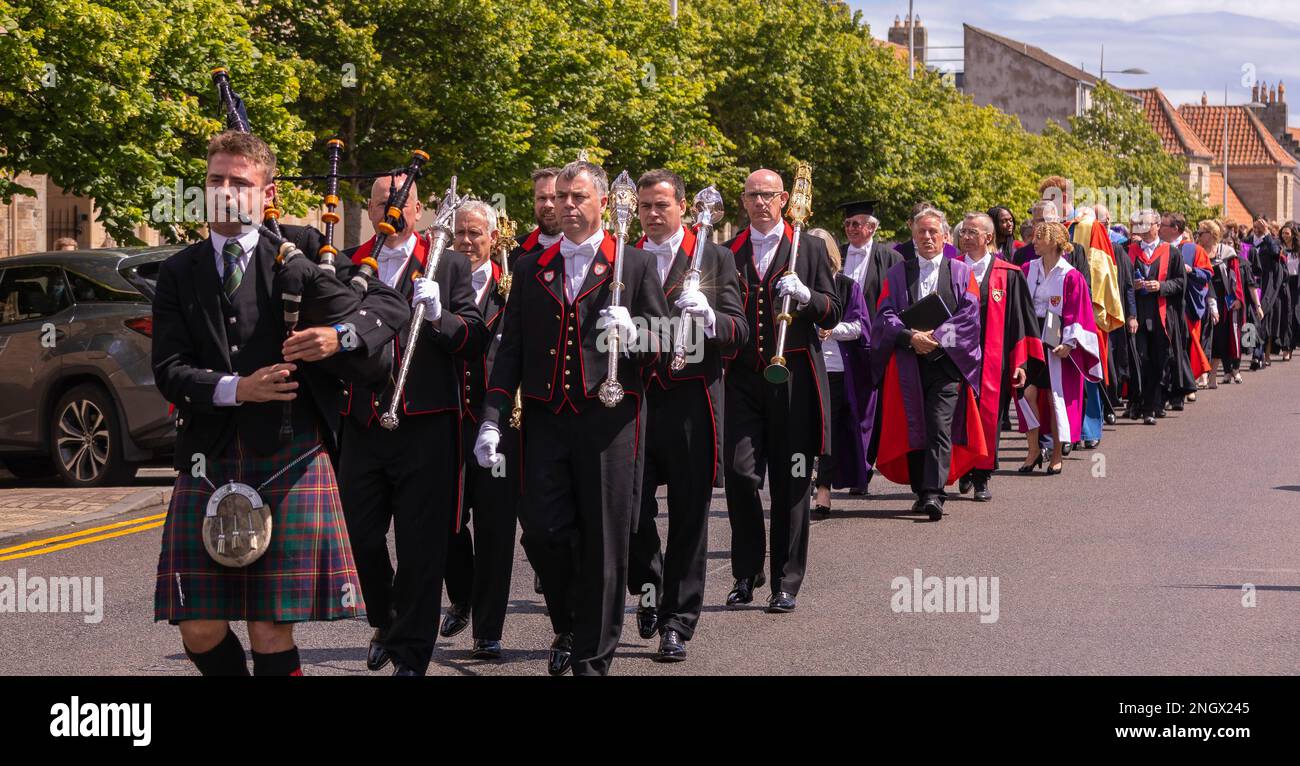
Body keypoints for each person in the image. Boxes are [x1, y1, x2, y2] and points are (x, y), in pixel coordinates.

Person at [151, 130, 408, 676]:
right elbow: (169, 373)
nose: (224, 191)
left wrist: (340, 336)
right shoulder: (179, 271)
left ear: (266, 194)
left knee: (270, 624)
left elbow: (390, 305)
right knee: (197, 626)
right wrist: (236, 389)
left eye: (238, 183)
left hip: (290, 453)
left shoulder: (306, 249)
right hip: (207, 454)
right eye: (215, 180)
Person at [473, 160, 669, 676]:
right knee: (540, 531)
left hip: (609, 421)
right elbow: (508, 350)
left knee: (606, 542)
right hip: (545, 418)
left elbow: (672, 347)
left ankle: (592, 658)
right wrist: (492, 418)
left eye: (578, 197)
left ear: (602, 202)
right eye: (561, 197)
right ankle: (568, 620)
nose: (566, 206)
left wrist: (638, 333)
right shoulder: (533, 266)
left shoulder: (634, 263)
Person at [338, 174, 485, 676]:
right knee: (360, 536)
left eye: (401, 203)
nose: (392, 210)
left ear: (419, 209)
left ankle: (410, 655)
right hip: (362, 420)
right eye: (383, 202)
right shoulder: (350, 262)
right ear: (372, 207)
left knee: (422, 546)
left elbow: (474, 338)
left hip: (426, 425)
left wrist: (441, 317)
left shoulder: (451, 263)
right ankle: (386, 615)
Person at [626, 169, 746, 661]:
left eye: (662, 206)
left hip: (692, 402)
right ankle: (650, 584)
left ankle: (678, 620)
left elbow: (739, 331)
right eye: (646, 207)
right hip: (634, 400)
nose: (653, 215)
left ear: (681, 207)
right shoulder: (623, 256)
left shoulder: (715, 256)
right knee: (631, 510)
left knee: (690, 514)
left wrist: (711, 319)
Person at [722, 168, 841, 613]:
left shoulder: (806, 248)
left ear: (785, 198)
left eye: (769, 195)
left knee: (791, 482)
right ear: (744, 200)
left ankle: (785, 580)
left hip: (794, 382)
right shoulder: (727, 251)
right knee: (738, 474)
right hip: (744, 380)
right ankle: (746, 571)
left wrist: (808, 297)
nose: (761, 202)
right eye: (753, 195)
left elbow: (832, 312)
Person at [440, 200, 520, 661]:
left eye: (475, 234)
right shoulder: (441, 283)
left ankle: (487, 627)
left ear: (493, 239)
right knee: (448, 522)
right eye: (459, 235)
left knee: (494, 527)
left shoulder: (510, 287)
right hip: (447, 418)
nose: (467, 243)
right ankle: (463, 594)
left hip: (496, 420)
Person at [871, 206, 986, 521]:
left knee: (938, 425)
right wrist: (910, 337)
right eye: (921, 231)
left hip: (946, 365)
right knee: (915, 425)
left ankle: (935, 493)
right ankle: (921, 492)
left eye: (933, 231)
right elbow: (884, 315)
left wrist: (936, 337)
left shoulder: (962, 273)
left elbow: (969, 318)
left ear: (946, 236)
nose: (927, 237)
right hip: (908, 364)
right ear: (913, 236)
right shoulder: (897, 273)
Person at [953, 213, 1043, 501]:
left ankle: (982, 476)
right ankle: (963, 468)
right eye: (963, 232)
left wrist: (1020, 363)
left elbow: (1021, 322)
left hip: (995, 359)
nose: (965, 237)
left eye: (972, 232)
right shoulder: (950, 269)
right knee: (959, 415)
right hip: (956, 357)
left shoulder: (1009, 273)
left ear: (988, 237)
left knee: (990, 415)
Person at [1015, 222, 1102, 475]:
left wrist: (1069, 342)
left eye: (1040, 237)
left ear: (1054, 242)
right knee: (1026, 394)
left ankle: (1055, 453)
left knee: (1055, 399)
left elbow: (1077, 313)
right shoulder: (1027, 269)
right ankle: (1033, 449)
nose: (1034, 241)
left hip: (1057, 339)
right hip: (1032, 337)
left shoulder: (1071, 275)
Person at [836, 199, 900, 494]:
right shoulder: (836, 253)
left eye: (857, 224)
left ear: (872, 228)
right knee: (842, 407)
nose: (851, 229)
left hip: (875, 345)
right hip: (838, 341)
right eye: (848, 224)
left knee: (870, 409)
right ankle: (844, 467)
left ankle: (864, 465)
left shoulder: (891, 259)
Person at [809, 228, 872, 515]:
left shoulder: (847, 286)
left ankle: (824, 489)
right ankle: (801, 481)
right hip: (802, 367)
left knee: (827, 431)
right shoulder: (797, 286)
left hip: (833, 370)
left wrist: (832, 329)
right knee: (800, 432)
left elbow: (860, 327)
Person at [1126, 209, 1188, 424]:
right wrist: (1131, 286)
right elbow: (1122, 283)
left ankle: (1152, 405)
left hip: (1162, 315)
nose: (1141, 229)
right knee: (1141, 358)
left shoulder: (1172, 253)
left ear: (1156, 226)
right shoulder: (1130, 251)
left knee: (1159, 360)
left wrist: (1160, 286)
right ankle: (1141, 403)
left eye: (1146, 224)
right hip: (1137, 314)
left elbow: (1181, 283)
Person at [1198, 220, 1246, 386]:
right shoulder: (1198, 251)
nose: (1198, 235)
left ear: (1211, 234)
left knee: (1219, 338)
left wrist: (1238, 298)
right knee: (1202, 336)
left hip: (1222, 300)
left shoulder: (1226, 252)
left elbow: (1235, 278)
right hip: (1201, 297)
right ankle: (1203, 373)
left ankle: (1211, 376)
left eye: (1201, 232)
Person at [1245, 216, 1285, 370]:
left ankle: (1258, 354)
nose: (1258, 229)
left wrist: (1267, 233)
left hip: (1266, 284)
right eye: (1256, 226)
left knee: (1262, 317)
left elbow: (1276, 253)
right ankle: (1255, 352)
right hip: (1251, 283)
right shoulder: (1248, 241)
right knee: (1252, 318)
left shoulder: (1272, 241)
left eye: (1261, 226)